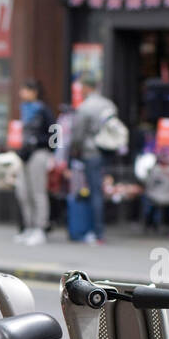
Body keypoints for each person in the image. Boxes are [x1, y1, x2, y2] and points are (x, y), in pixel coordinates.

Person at [69, 74, 117, 244]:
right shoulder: (108, 105)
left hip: (91, 153)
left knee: (94, 191)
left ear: (87, 88)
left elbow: (77, 135)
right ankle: (98, 229)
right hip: (107, 151)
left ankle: (97, 231)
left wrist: (74, 150)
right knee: (100, 189)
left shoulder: (86, 107)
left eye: (81, 87)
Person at [14, 79, 55, 246]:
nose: (21, 94)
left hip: (38, 153)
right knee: (23, 192)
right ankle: (28, 226)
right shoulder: (24, 109)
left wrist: (46, 147)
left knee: (37, 192)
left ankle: (40, 227)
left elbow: (54, 133)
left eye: (25, 90)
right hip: (24, 154)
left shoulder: (43, 110)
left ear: (34, 92)